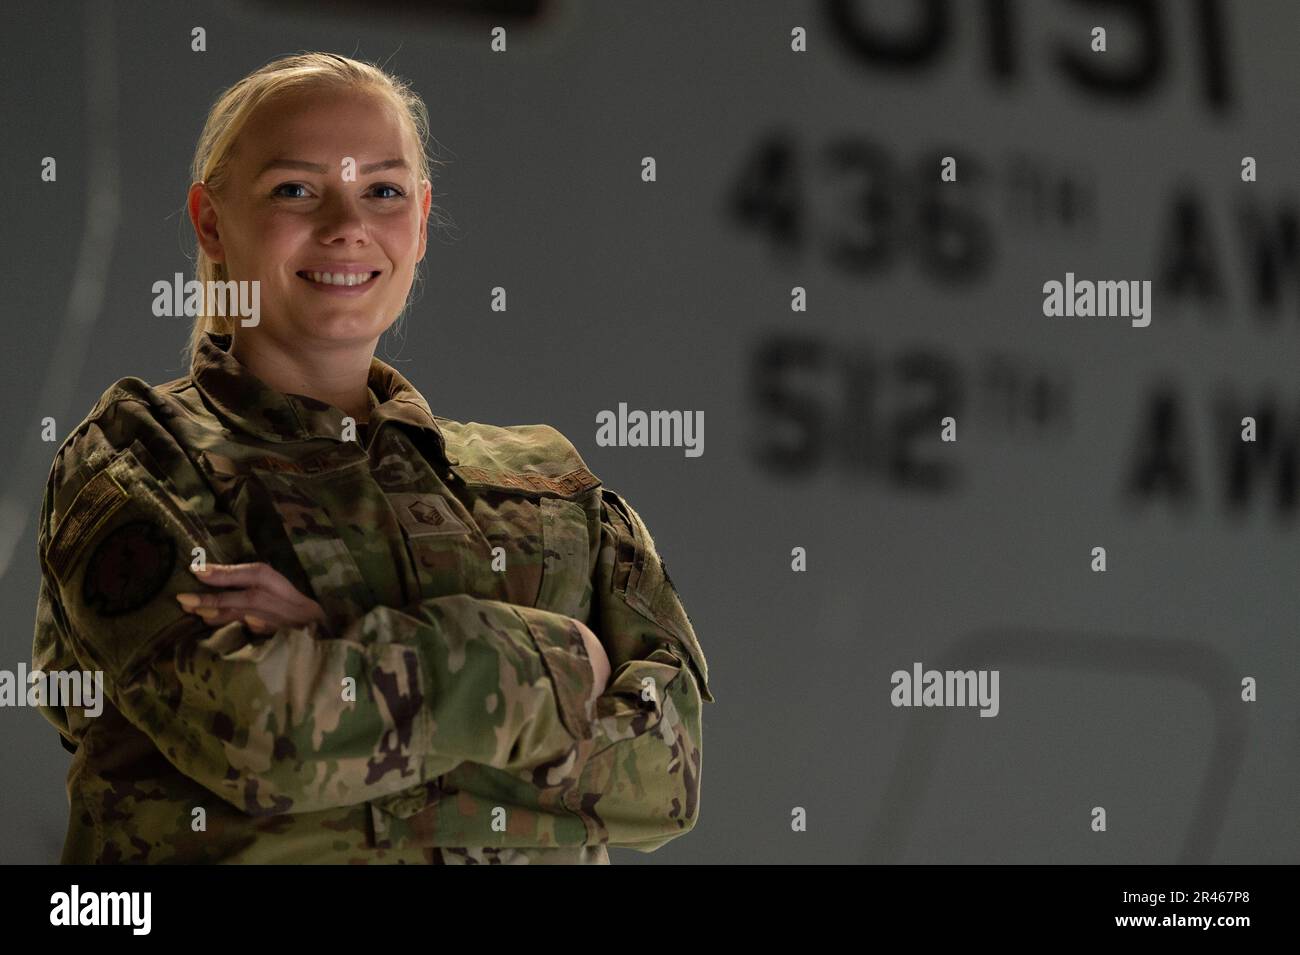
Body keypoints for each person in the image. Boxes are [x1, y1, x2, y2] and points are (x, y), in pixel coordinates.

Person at [29, 52, 713, 864]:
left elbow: (667, 779)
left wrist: (337, 642)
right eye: (295, 189)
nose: (345, 224)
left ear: (421, 220)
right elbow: (267, 738)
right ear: (211, 221)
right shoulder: (139, 455)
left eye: (382, 191)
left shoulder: (548, 484)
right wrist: (563, 663)